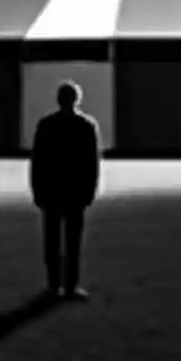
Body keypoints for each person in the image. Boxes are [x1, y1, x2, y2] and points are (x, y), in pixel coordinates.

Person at [30, 80, 101, 301]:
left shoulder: (46, 125)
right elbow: (92, 163)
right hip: (75, 191)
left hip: (51, 190)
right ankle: (71, 285)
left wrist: (37, 190)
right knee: (73, 241)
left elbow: (38, 161)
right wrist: (90, 190)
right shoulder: (87, 126)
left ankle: (54, 285)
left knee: (51, 241)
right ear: (77, 100)